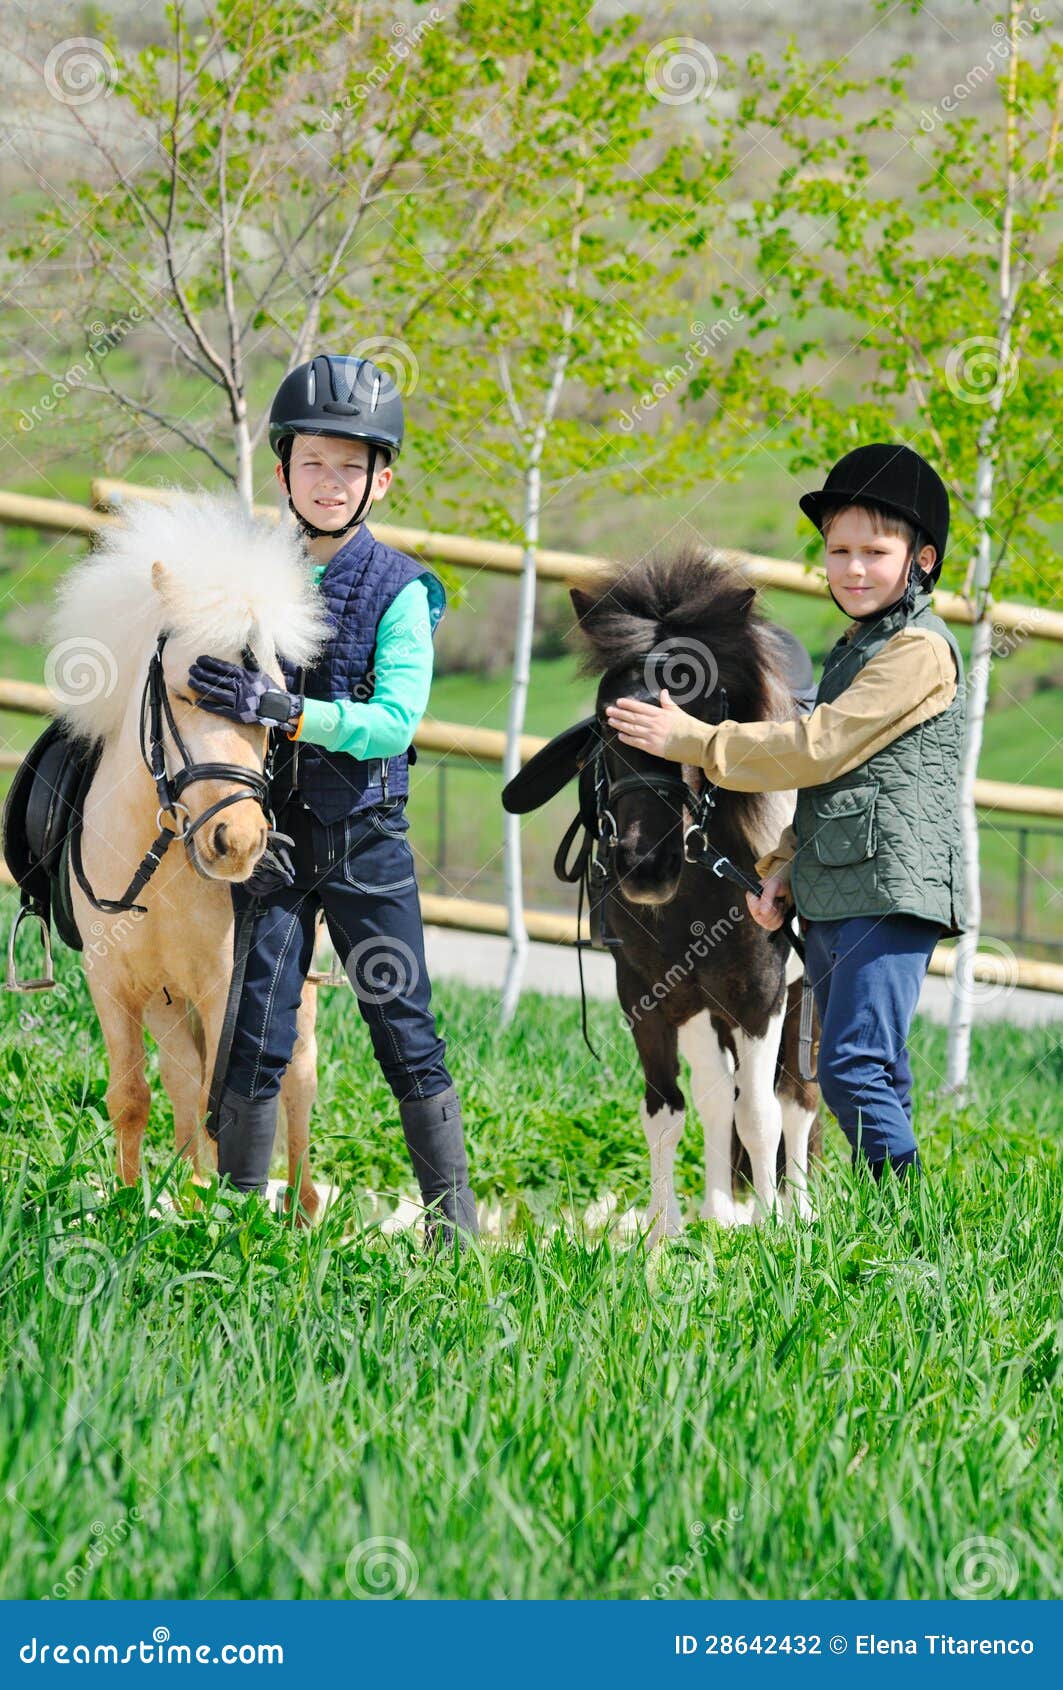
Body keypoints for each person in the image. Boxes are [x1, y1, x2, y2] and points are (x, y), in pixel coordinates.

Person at [604, 443, 967, 1184]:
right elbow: (837, 792)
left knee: (850, 1067)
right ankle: (893, 1226)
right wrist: (782, 868)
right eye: (838, 551)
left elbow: (818, 748)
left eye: (875, 551)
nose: (853, 568)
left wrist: (698, 743)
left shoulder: (917, 652)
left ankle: (915, 1235)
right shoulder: (853, 651)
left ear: (922, 559)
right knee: (873, 1069)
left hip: (890, 889)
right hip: (839, 885)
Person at [189, 353, 478, 1248]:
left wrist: (289, 711)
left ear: (379, 481)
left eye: (350, 466)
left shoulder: (401, 590)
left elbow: (393, 721)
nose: (328, 480)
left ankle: (453, 1231)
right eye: (312, 461)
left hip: (364, 840)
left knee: (402, 1020)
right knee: (257, 1026)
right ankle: (239, 1227)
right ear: (282, 471)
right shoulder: (250, 574)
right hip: (270, 840)